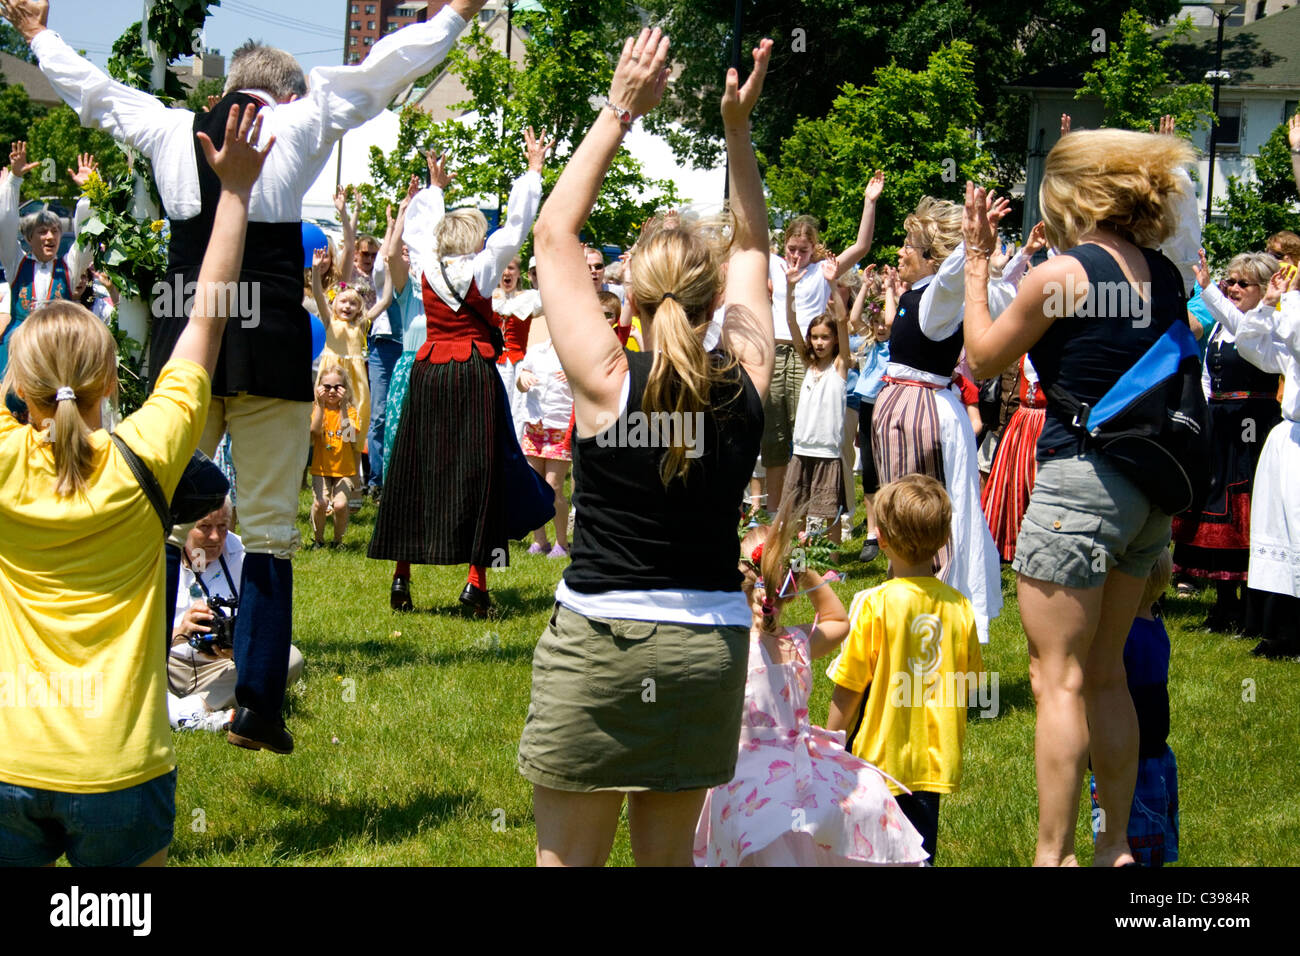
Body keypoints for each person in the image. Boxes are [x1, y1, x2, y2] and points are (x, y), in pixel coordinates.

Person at [7, 0, 493, 753]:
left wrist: (38, 35)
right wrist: (457, 13)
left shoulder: (174, 127)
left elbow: (93, 93)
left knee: (164, 522)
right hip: (267, 349)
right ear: (288, 94)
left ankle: (138, 683)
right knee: (268, 532)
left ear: (228, 85)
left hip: (187, 348)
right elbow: (387, 68)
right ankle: (258, 705)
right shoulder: (298, 125)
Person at [516, 30, 774, 866]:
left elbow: (555, 231)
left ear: (629, 290)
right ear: (707, 301)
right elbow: (758, 252)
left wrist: (623, 107)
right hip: (708, 648)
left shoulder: (602, 377)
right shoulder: (745, 382)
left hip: (602, 641)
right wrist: (736, 129)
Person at [0, 102, 269, 866]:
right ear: (113, 379)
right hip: (117, 771)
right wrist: (238, 192)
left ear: (16, 386)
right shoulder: (147, 452)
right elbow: (207, 316)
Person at [960, 127, 1199, 865]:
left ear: (1073, 193)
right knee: (1106, 673)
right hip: (1147, 493)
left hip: (1078, 487)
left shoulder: (1062, 273)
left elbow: (983, 354)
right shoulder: (1165, 273)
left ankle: (1054, 854)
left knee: (1055, 677)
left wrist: (976, 265)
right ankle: (1116, 846)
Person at [368, 128, 548, 617]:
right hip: (471, 373)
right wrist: (531, 172)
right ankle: (476, 585)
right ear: (473, 237)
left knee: (414, 471)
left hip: (429, 372)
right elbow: (516, 228)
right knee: (478, 474)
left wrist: (435, 188)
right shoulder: (484, 267)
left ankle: (401, 578)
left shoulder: (426, 264)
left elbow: (420, 230)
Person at [693, 501, 928, 867]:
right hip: (803, 761)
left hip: (745, 766)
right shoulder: (796, 642)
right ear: (789, 588)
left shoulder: (728, 644)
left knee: (765, 817)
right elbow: (838, 619)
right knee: (863, 795)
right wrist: (806, 570)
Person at [826, 475, 984, 864]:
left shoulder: (873, 603)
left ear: (881, 539)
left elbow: (849, 686)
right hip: (932, 762)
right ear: (944, 536)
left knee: (866, 852)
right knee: (919, 854)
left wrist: (829, 741)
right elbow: (975, 683)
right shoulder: (960, 606)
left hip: (874, 760)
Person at [871, 195, 1002, 643]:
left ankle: (928, 623)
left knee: (922, 517)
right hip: (906, 410)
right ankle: (906, 609)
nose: (901, 252)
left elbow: (952, 279)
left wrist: (970, 243)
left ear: (931, 256)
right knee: (900, 513)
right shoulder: (916, 296)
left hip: (921, 414)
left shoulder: (937, 300)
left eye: (910, 244)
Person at [764, 171, 884, 513]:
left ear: (814, 247)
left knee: (809, 436)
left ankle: (816, 512)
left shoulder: (823, 271)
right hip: (777, 350)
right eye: (791, 249)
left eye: (803, 250)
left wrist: (869, 202)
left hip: (810, 356)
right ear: (784, 244)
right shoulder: (774, 265)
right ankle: (774, 516)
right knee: (774, 439)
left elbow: (861, 246)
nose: (796, 256)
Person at [1175, 251, 1282, 632]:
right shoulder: (1223, 327)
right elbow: (1208, 376)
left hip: (1251, 425)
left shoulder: (1263, 326)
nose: (1233, 288)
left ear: (1265, 288)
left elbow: (1246, 333)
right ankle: (1222, 604)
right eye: (1229, 282)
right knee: (1214, 505)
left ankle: (1251, 606)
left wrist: (1207, 290)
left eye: (1242, 283)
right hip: (1221, 422)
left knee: (1244, 509)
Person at [169, 499, 306, 730]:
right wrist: (180, 630)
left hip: (222, 668)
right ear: (181, 525)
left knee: (288, 656)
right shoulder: (159, 557)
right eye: (204, 527)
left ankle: (190, 709)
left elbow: (265, 626)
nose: (215, 537)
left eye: (223, 526)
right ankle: (191, 712)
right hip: (167, 662)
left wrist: (240, 648)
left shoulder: (246, 556)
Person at [1089, 547, 1178, 867]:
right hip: (1154, 750)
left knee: (1117, 831)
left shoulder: (1119, 635)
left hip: (1119, 752)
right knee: (1149, 838)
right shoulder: (1156, 625)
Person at [1234, 258, 1300, 658]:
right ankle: (1282, 630)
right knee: (1278, 533)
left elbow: (1294, 333)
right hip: (1288, 436)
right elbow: (1253, 347)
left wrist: (1287, 301)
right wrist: (1267, 305)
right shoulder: (1292, 312)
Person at [0, 143, 96, 378]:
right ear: (29, 238)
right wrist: (14, 180)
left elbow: (87, 236)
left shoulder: (68, 267)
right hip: (18, 352)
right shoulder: (16, 264)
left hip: (56, 351)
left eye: (55, 231)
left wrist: (89, 193)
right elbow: (5, 224)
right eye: (42, 231)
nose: (50, 236)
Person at [780, 277, 851, 547]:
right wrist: (788, 290)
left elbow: (843, 322)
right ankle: (799, 559)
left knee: (829, 513)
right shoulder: (808, 364)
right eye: (815, 337)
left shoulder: (840, 367)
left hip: (827, 452)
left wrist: (833, 285)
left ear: (834, 341)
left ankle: (831, 563)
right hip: (801, 449)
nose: (819, 342)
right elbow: (790, 322)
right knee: (796, 511)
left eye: (825, 337)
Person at [311, 243, 393, 444]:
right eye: (343, 301)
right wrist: (315, 270)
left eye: (353, 303)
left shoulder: (361, 324)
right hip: (332, 372)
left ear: (359, 308)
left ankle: (349, 457)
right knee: (328, 415)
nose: (347, 306)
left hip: (354, 376)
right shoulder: (330, 320)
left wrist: (389, 271)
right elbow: (318, 295)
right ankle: (325, 453)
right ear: (335, 304)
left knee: (353, 415)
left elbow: (384, 302)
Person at [850, 266, 895, 563]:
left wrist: (891, 288)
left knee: (890, 470)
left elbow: (892, 319)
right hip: (867, 406)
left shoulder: (898, 342)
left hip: (889, 405)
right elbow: (854, 319)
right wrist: (865, 287)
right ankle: (871, 532)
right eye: (876, 323)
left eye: (883, 323)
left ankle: (892, 529)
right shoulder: (872, 341)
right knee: (869, 473)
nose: (880, 328)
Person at [516, 327, 573, 558]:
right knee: (534, 487)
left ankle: (562, 543)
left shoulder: (574, 352)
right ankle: (540, 541)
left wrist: (574, 376)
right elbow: (520, 384)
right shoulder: (536, 351)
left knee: (554, 487)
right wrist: (522, 379)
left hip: (560, 428)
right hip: (534, 427)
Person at [309, 362, 364, 548]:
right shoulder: (317, 411)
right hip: (321, 469)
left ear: (345, 389)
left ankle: (338, 541)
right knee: (321, 504)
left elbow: (349, 436)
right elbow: (314, 431)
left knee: (340, 505)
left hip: (344, 470)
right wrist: (321, 403)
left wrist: (342, 408)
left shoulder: (350, 412)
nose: (332, 391)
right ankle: (318, 540)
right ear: (319, 389)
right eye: (327, 387)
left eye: (337, 387)